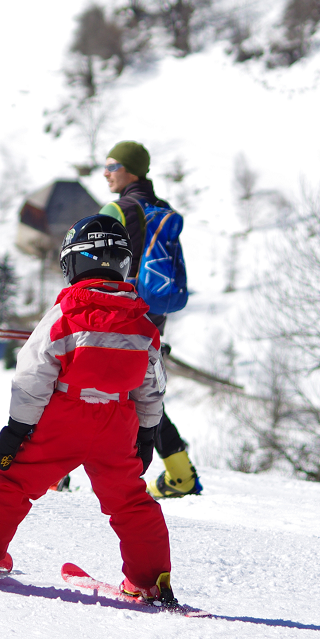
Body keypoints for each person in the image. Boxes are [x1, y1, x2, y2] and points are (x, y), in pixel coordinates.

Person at [0, 215, 177, 605]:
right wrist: (146, 432)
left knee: (13, 484)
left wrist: (17, 429)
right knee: (131, 502)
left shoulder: (66, 314)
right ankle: (152, 580)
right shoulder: (142, 326)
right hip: (117, 423)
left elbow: (32, 374)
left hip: (64, 416)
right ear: (122, 264)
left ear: (75, 263)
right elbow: (151, 387)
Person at [100, 140, 202, 499]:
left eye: (112, 165)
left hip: (115, 318)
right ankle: (180, 475)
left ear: (132, 171)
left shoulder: (118, 209)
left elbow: (89, 267)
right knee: (143, 395)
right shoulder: (163, 210)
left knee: (79, 388)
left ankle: (47, 472)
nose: (106, 172)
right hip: (152, 321)